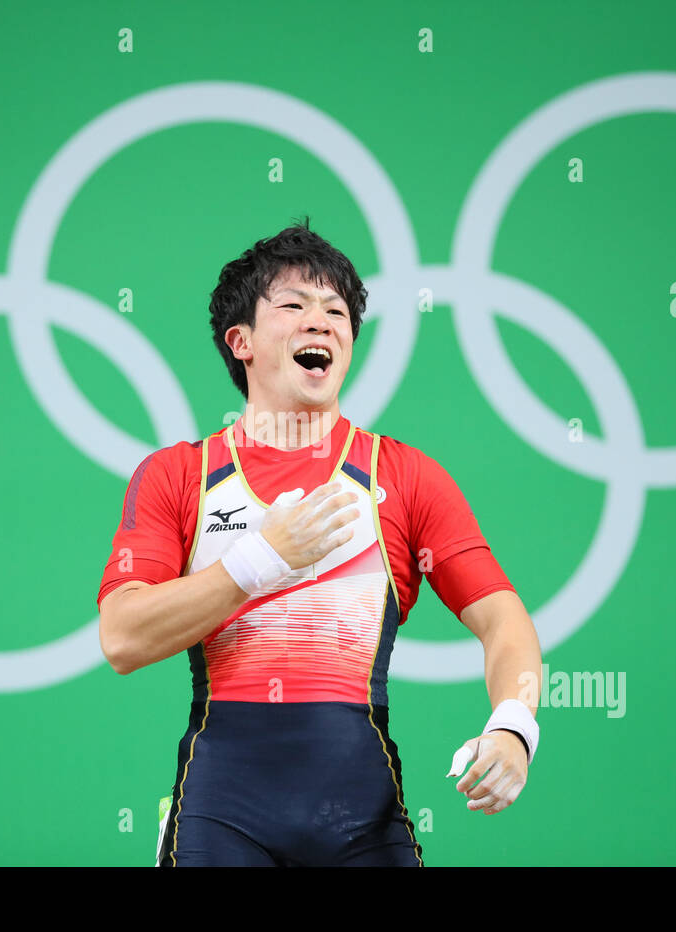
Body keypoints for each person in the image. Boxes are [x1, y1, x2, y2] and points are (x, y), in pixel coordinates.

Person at [96, 218, 543, 866]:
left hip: (363, 824)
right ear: (240, 340)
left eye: (337, 311)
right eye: (295, 306)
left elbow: (502, 616)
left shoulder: (405, 477)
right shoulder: (178, 476)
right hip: (220, 822)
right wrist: (255, 564)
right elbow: (123, 638)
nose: (322, 322)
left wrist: (513, 726)